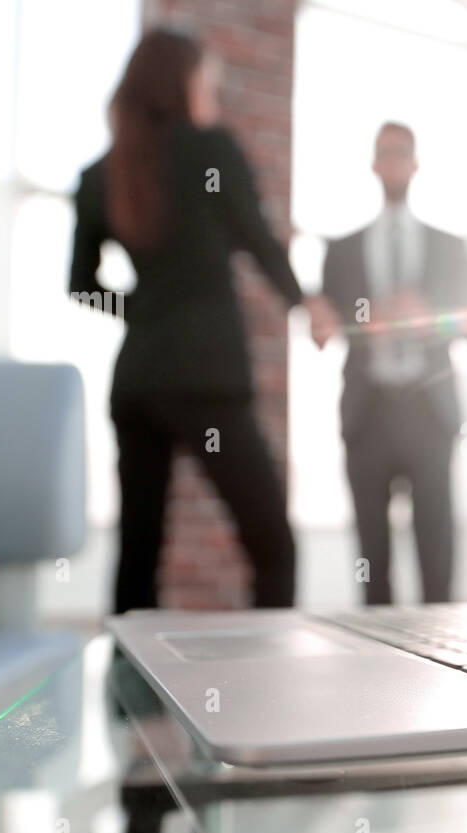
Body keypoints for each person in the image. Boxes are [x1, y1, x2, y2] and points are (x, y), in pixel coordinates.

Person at [68, 29, 333, 613]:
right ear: (182, 83)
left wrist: (142, 310)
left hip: (137, 382)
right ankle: (268, 689)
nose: (211, 91)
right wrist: (306, 305)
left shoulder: (98, 175)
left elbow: (82, 287)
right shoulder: (211, 150)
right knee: (272, 546)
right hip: (205, 377)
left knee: (137, 554)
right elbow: (258, 241)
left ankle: (126, 696)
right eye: (206, 80)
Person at [316, 122, 467, 605]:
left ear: (415, 163)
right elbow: (327, 328)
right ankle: (374, 669)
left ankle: (442, 664)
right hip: (368, 413)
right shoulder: (340, 250)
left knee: (438, 556)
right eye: (384, 152)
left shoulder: (450, 247)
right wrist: (367, 319)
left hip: (430, 413)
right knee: (371, 561)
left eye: (401, 152)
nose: (392, 161)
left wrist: (431, 318)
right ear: (373, 163)